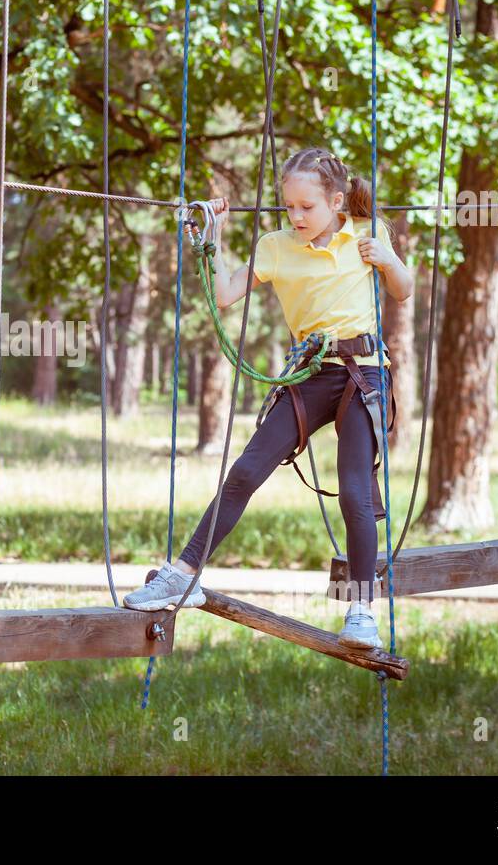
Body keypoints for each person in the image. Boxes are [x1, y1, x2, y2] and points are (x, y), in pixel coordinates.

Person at [123, 147, 414, 649]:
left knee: (353, 490)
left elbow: (404, 290)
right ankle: (184, 574)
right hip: (309, 372)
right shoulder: (276, 245)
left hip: (363, 374)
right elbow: (224, 294)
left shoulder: (367, 234)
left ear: (336, 201)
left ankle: (362, 611)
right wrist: (211, 238)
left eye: (307, 207)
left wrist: (387, 260)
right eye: (289, 207)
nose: (296, 216)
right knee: (244, 472)